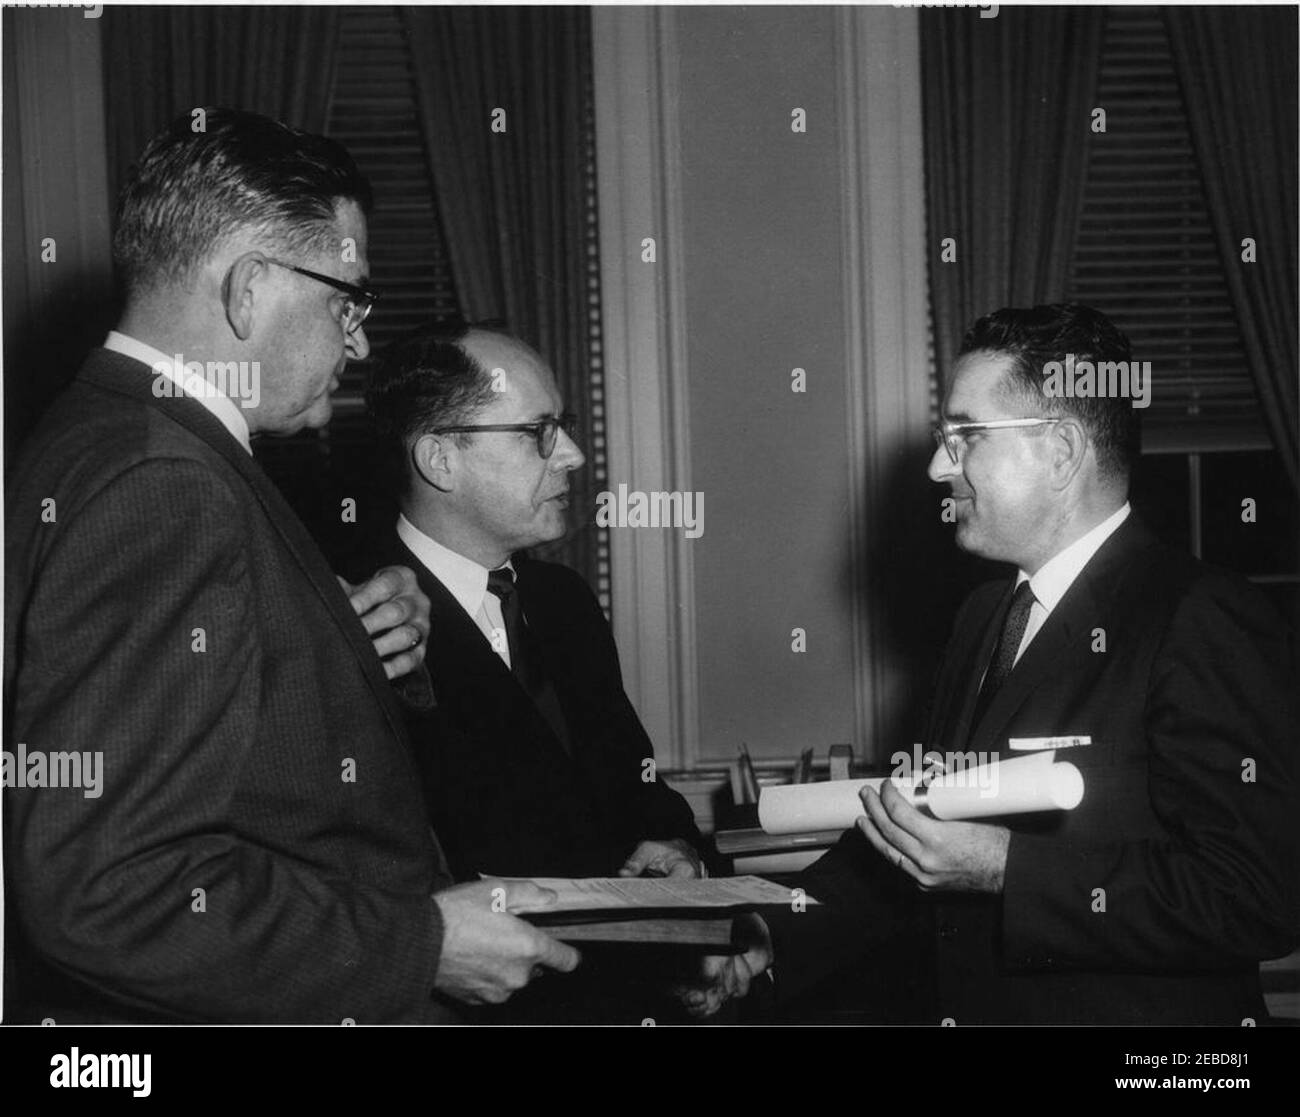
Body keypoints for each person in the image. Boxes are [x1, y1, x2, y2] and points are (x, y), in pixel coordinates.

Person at [2, 108, 578, 1024]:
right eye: (348, 299)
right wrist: (423, 943)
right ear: (249, 288)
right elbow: (107, 886)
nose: (358, 342)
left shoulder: (100, 440)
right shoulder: (163, 480)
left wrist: (328, 640)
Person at [682, 303, 1300, 1025]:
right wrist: (769, 933)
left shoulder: (1198, 616)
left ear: (1062, 451)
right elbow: (913, 832)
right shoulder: (984, 617)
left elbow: (1259, 893)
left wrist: (1008, 869)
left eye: (965, 436)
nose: (939, 464)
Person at [360, 322, 705, 883]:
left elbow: (634, 783)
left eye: (561, 427)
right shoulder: (363, 619)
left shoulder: (563, 600)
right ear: (440, 459)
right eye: (536, 432)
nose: (572, 455)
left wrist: (676, 848)